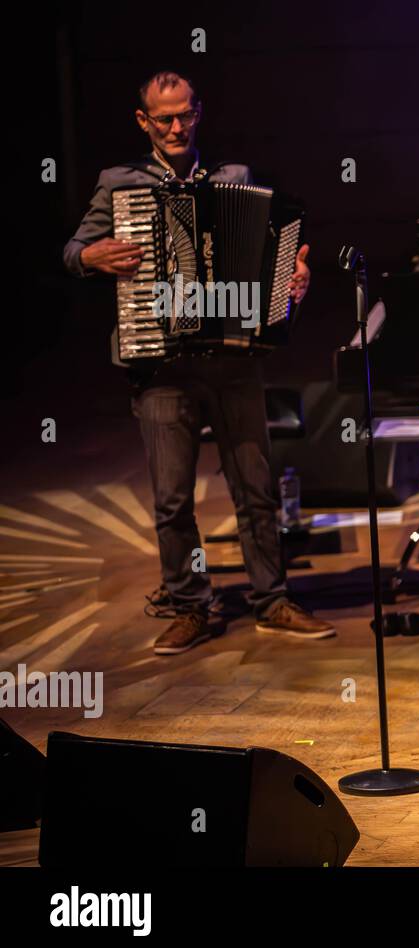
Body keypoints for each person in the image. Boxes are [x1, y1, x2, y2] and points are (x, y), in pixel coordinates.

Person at [63, 70, 335, 654]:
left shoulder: (233, 179)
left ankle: (272, 600)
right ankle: (190, 605)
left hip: (233, 357)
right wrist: (92, 255)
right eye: (164, 118)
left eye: (185, 114)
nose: (177, 126)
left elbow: (268, 265)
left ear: (198, 113)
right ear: (144, 122)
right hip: (160, 364)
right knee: (172, 500)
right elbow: (70, 252)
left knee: (255, 488)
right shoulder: (120, 183)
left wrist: (294, 277)